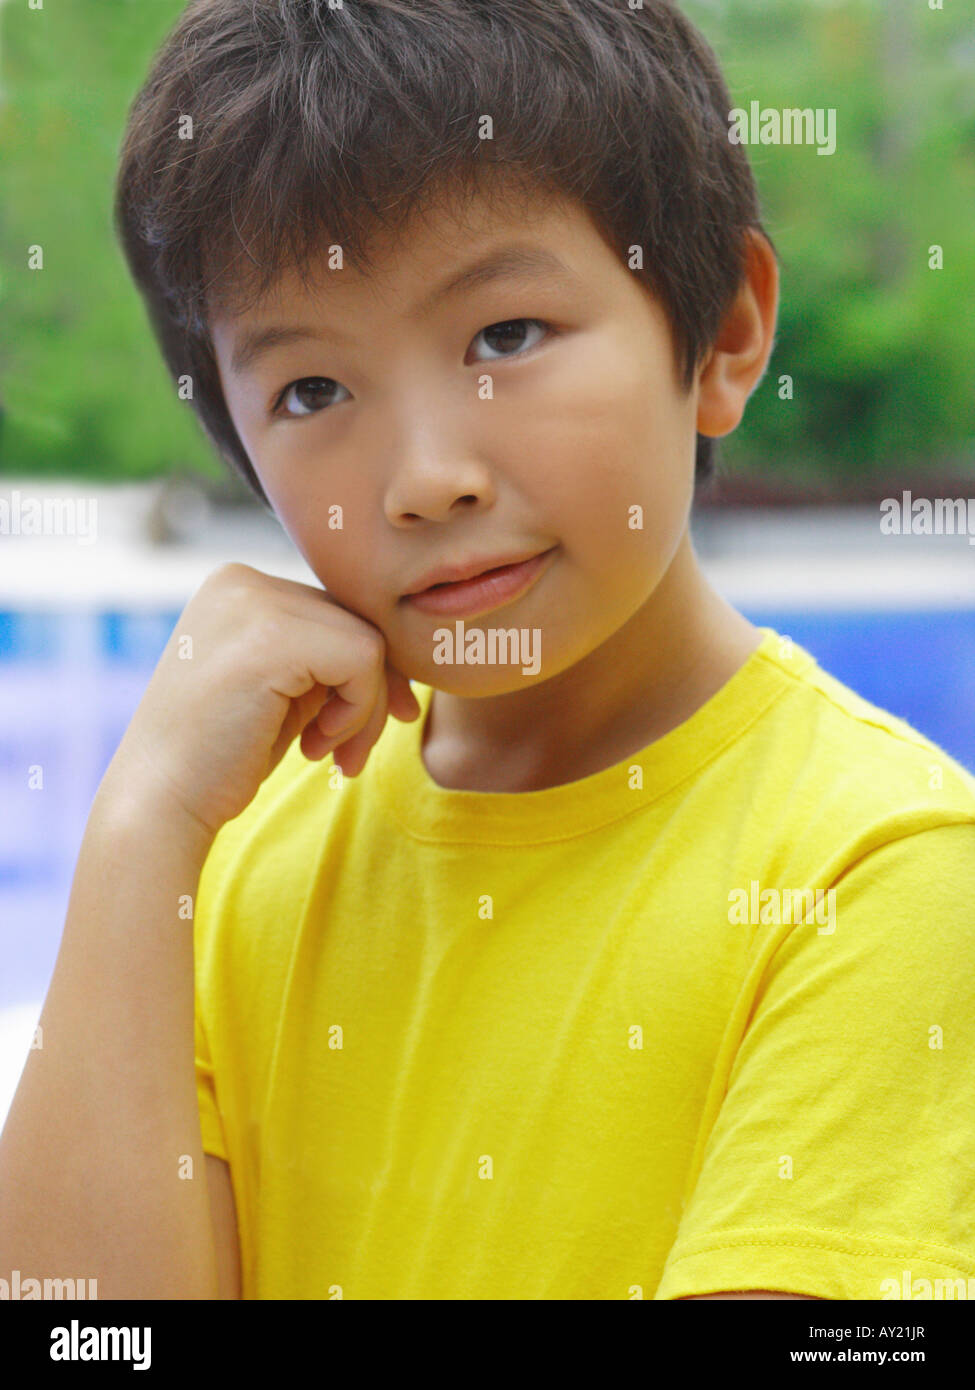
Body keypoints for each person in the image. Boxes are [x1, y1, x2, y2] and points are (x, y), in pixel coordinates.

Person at [3, 0, 974, 1301]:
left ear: (727, 334)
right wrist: (136, 831)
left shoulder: (880, 877)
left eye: (504, 337)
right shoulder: (229, 849)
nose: (427, 478)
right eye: (311, 392)